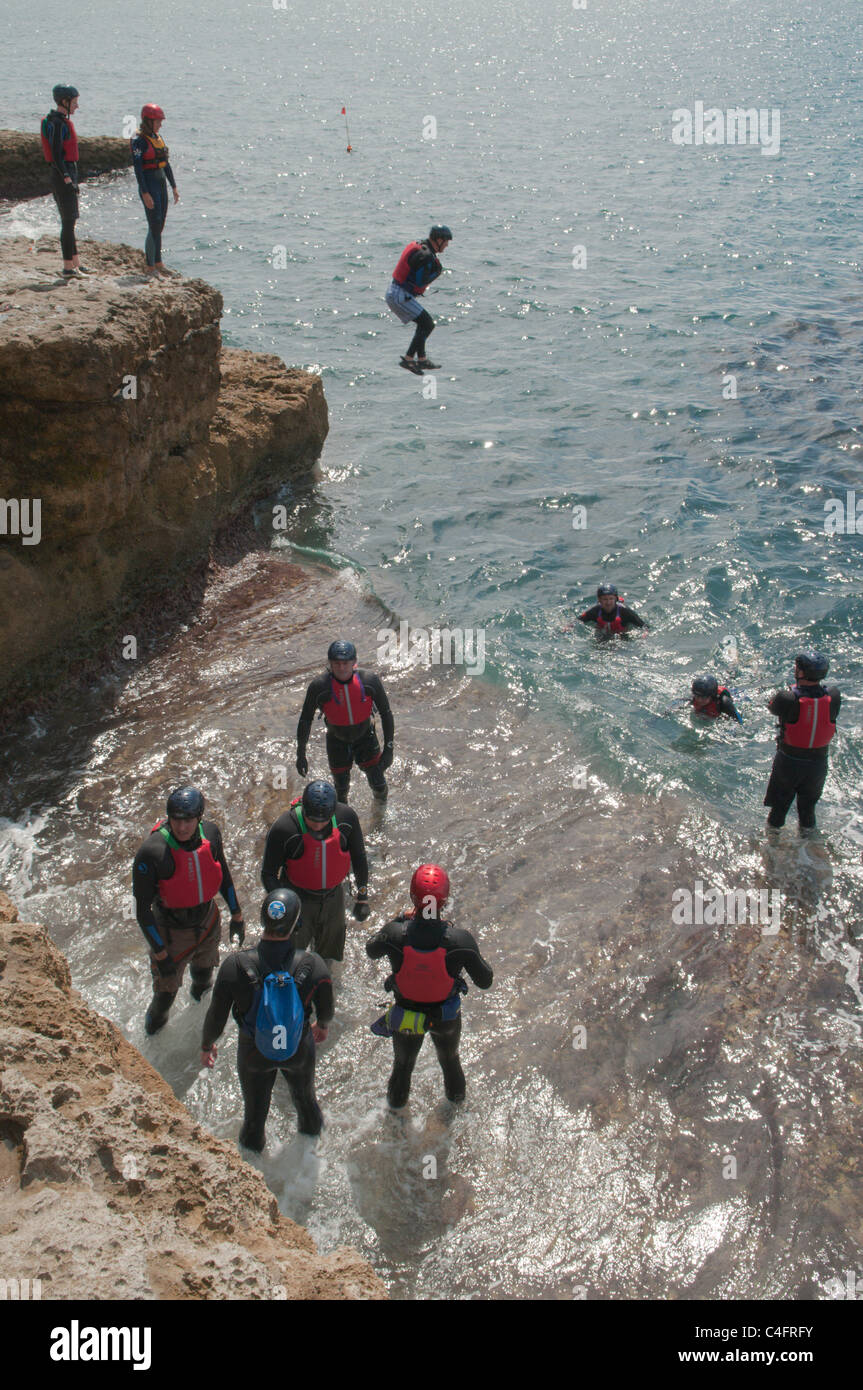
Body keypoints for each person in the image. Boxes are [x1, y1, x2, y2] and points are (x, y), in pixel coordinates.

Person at [200, 889, 333, 1150]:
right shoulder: (314, 964)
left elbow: (216, 1016)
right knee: (306, 1103)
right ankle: (307, 1167)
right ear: (298, 925)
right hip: (298, 1049)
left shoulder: (234, 966)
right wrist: (323, 1026)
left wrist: (207, 1045)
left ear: (262, 920)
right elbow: (327, 1010)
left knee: (253, 1118)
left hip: (253, 1051)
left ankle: (252, 1174)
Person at [365, 864, 493, 1109]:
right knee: (450, 1060)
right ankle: (454, 1117)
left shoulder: (394, 934)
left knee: (402, 1066)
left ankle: (395, 1124)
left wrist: (399, 919)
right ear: (444, 901)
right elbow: (485, 981)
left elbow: (371, 950)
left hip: (407, 1017)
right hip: (445, 1018)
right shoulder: (460, 940)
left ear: (413, 897)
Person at [132, 785, 244, 1035]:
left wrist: (237, 915)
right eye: (176, 820)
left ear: (199, 818)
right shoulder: (152, 852)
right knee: (164, 998)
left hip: (207, 921)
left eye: (188, 821)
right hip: (171, 932)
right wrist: (161, 954)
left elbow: (223, 875)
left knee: (204, 980)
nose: (182, 827)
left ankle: (197, 1030)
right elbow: (142, 910)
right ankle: (152, 1044)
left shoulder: (212, 834)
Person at [261, 780, 370, 962]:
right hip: (298, 898)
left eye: (323, 821)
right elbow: (268, 874)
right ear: (304, 810)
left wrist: (363, 897)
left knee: (328, 958)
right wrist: (287, 911)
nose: (317, 826)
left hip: (333, 897)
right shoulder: (284, 829)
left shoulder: (347, 819)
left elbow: (359, 858)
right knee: (293, 959)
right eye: (312, 820)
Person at [295, 640, 394, 803]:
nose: (341, 668)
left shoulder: (369, 680)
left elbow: (386, 713)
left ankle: (380, 817)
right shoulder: (319, 687)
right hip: (337, 742)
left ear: (354, 662)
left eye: (345, 663)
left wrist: (389, 749)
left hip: (366, 738)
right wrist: (300, 754)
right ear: (330, 663)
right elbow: (305, 720)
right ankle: (344, 825)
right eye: (336, 663)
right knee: (341, 792)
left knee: (379, 785)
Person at [763, 651, 840, 833]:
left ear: (801, 673)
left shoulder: (787, 697)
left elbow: (773, 707)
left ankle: (772, 848)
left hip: (789, 762)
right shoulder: (834, 695)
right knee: (807, 810)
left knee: (779, 809)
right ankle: (809, 851)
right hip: (818, 764)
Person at [385, 225, 452, 374]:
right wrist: (436, 273)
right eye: (446, 241)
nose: (447, 245)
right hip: (399, 295)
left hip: (395, 292)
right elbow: (420, 282)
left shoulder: (421, 246)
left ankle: (421, 360)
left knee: (424, 324)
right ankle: (409, 360)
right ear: (439, 240)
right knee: (427, 324)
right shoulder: (426, 255)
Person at [41, 84, 88, 279]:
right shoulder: (58, 124)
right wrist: (67, 178)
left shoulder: (60, 121)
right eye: (75, 102)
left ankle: (76, 263)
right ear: (64, 102)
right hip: (63, 175)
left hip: (67, 173)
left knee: (71, 220)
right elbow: (56, 154)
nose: (77, 106)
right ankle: (68, 268)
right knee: (68, 222)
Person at [130, 103, 179, 277]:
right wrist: (145, 193)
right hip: (149, 186)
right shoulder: (139, 141)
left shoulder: (158, 138)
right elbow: (138, 169)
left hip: (160, 184)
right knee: (154, 225)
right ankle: (150, 267)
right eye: (158, 121)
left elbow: (165, 164)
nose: (160, 124)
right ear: (148, 121)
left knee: (160, 224)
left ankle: (158, 263)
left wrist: (173, 186)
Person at [570, 583, 648, 634]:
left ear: (616, 599)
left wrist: (645, 633)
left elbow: (644, 626)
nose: (608, 602)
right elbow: (578, 620)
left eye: (611, 599)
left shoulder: (625, 611)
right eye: (605, 599)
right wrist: (568, 627)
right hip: (602, 634)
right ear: (599, 600)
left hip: (622, 636)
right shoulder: (595, 611)